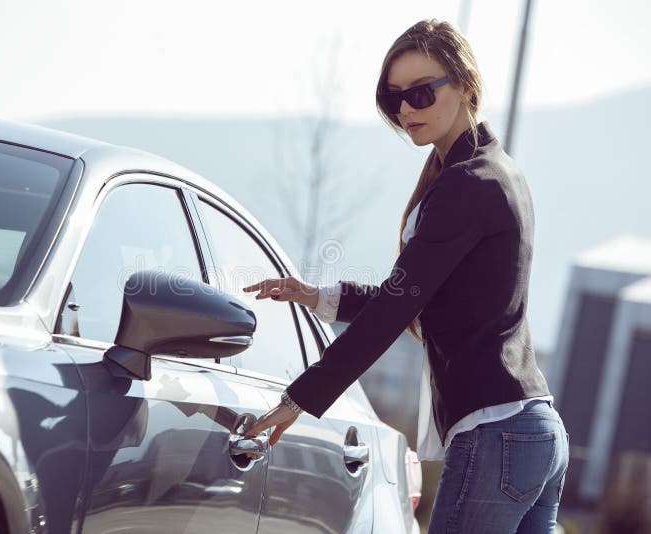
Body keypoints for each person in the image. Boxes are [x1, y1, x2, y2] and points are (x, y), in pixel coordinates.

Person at [241, 18, 569, 533]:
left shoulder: (466, 184)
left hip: (497, 434)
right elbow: (417, 294)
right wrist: (316, 296)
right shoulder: (499, 171)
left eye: (420, 93)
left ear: (465, 85)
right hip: (536, 428)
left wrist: (299, 398)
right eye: (393, 98)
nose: (405, 110)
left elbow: (395, 310)